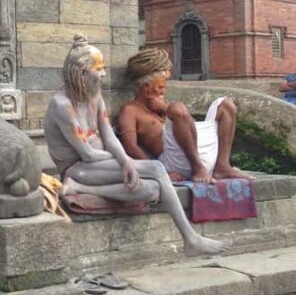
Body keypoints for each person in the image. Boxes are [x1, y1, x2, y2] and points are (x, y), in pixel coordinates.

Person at [44, 34, 225, 256]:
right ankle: (190, 239)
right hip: (79, 168)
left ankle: (79, 189)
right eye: (98, 69)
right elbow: (88, 153)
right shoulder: (61, 104)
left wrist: (127, 164)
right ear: (81, 72)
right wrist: (127, 162)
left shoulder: (94, 96)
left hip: (98, 168)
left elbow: (109, 137)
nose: (102, 75)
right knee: (157, 169)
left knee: (154, 189)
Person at [118, 47, 250, 184]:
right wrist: (160, 171)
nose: (164, 90)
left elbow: (191, 128)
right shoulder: (130, 110)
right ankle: (198, 167)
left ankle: (222, 166)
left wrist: (164, 108)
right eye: (160, 86)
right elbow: (130, 148)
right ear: (146, 87)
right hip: (176, 163)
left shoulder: (164, 106)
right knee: (177, 108)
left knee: (226, 105)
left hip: (201, 153)